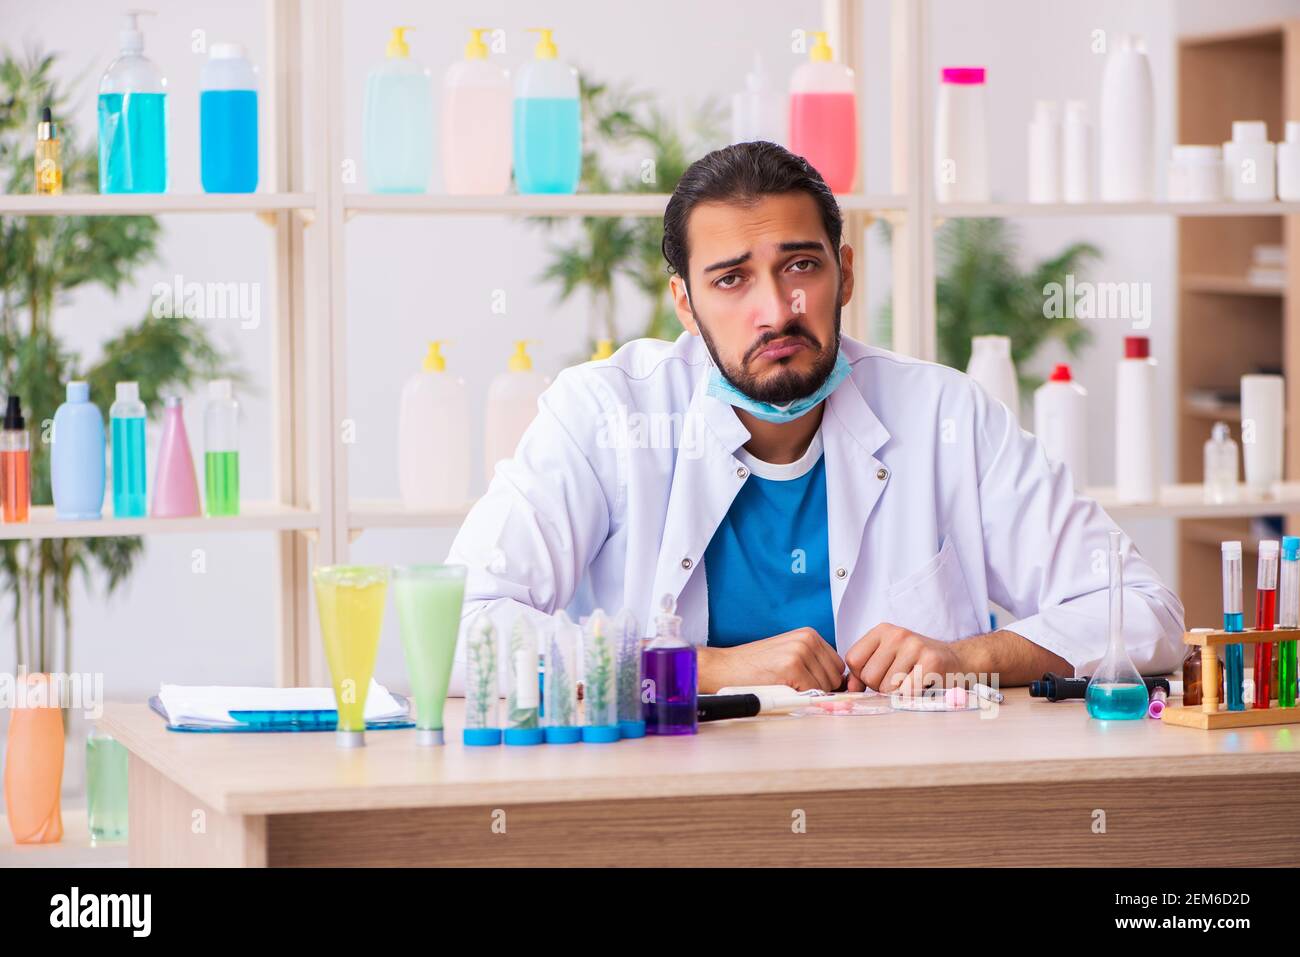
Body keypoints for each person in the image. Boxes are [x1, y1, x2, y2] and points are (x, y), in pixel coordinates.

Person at [447, 141, 1185, 694]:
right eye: (731, 279)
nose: (776, 309)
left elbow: (1144, 612)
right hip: (666, 802)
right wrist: (708, 669)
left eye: (800, 265)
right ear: (685, 303)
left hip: (899, 804)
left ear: (846, 272)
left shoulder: (944, 414)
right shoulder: (607, 414)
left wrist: (968, 655)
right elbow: (463, 627)